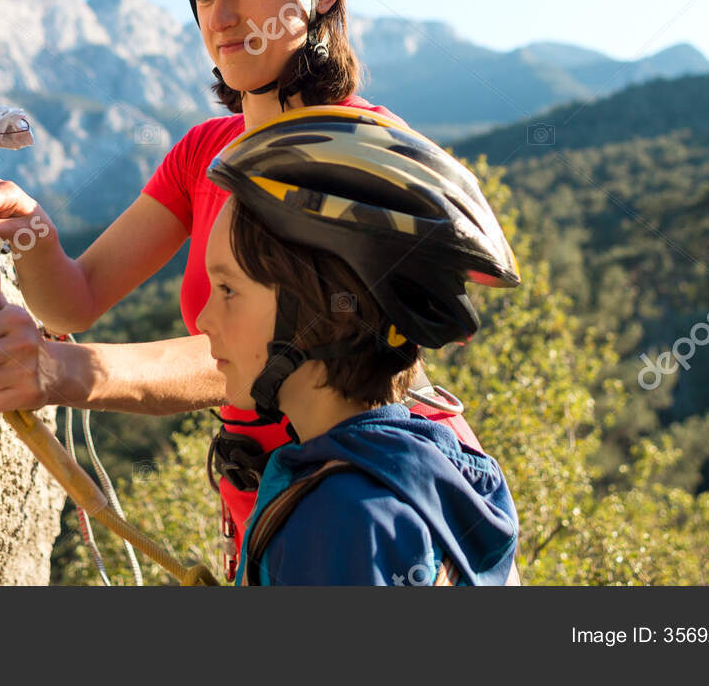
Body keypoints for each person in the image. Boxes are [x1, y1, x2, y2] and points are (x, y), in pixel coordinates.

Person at [0, 0, 490, 578]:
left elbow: (260, 344)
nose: (221, 17)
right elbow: (74, 296)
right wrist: (30, 225)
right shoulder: (204, 152)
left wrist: (64, 370)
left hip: (361, 515)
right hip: (277, 510)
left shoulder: (357, 160)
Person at [196, 104, 521, 585]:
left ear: (328, 314)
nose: (203, 319)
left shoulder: (342, 524)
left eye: (228, 291)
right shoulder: (434, 464)